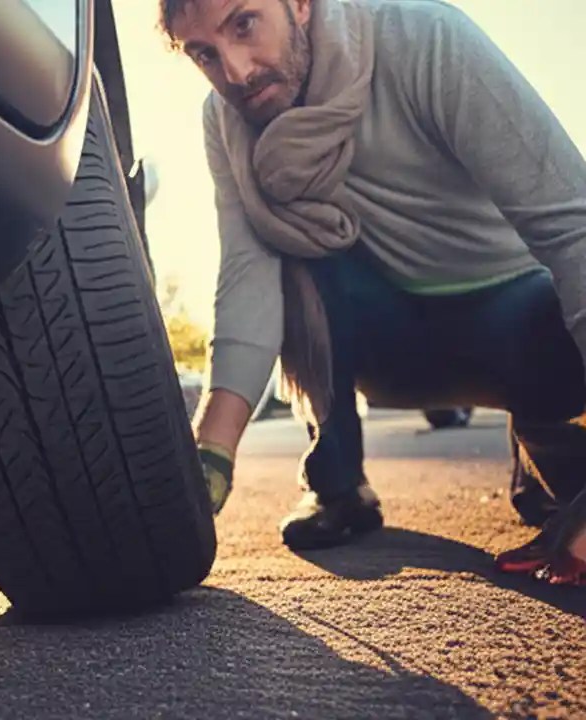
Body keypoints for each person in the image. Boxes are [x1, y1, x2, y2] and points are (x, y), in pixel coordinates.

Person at [161, 0, 586, 585]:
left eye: (244, 23)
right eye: (203, 53)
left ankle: (542, 438)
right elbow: (246, 273)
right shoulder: (226, 122)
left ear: (301, 6)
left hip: (520, 319)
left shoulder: (423, 36)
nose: (234, 72)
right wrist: (208, 461)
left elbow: (572, 226)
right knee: (291, 251)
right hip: (390, 340)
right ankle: (338, 486)